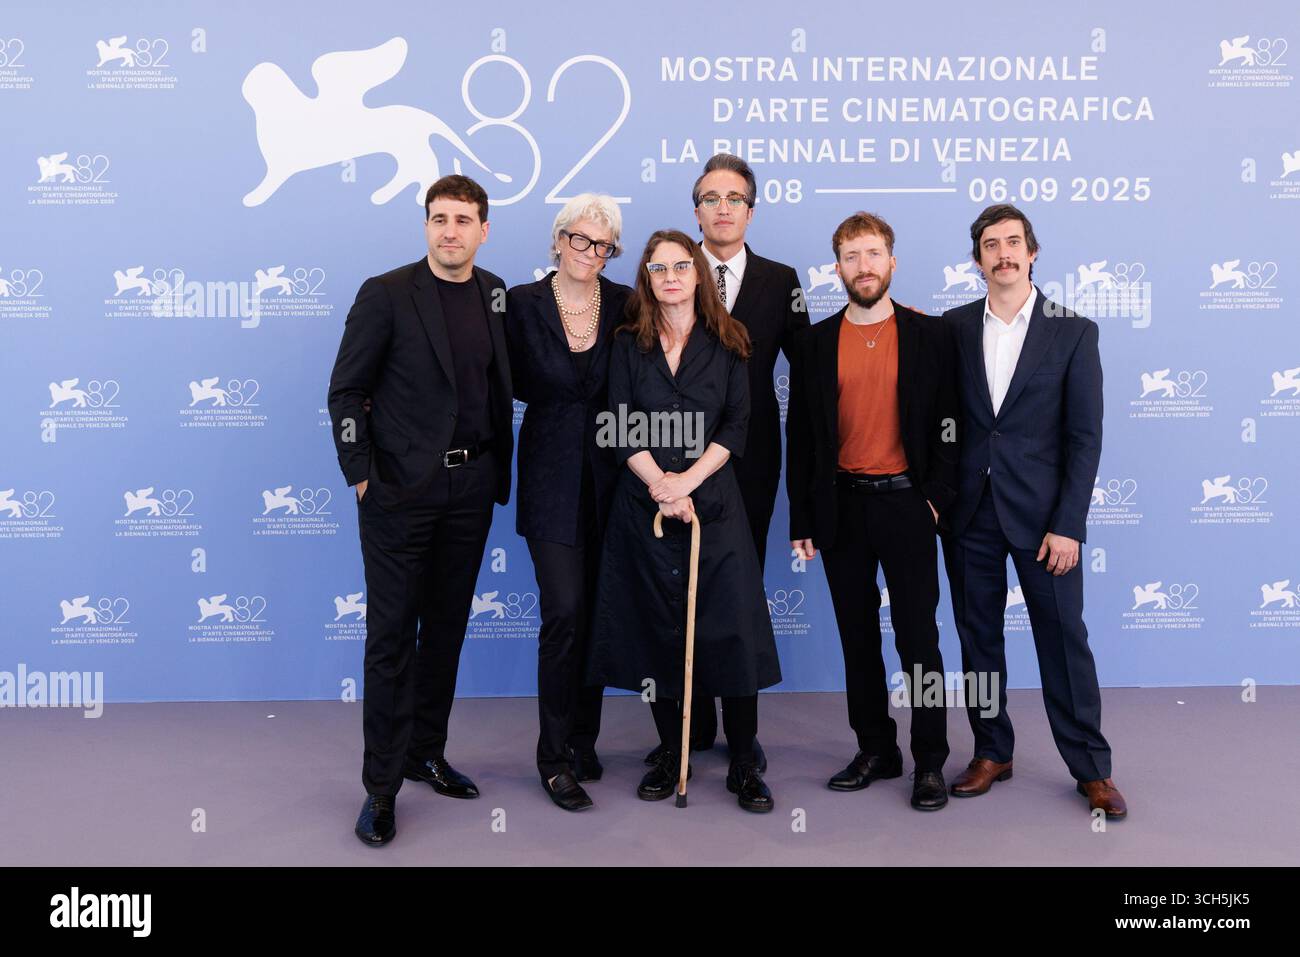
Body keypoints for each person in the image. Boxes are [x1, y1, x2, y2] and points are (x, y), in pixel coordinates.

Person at [328, 175, 513, 846]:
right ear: (426, 224)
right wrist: (361, 476)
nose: (450, 230)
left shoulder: (494, 293)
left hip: (471, 490)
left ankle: (425, 751)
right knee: (390, 639)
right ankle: (381, 789)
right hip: (398, 493)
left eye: (464, 219)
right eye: (439, 218)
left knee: (446, 631)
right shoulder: (385, 293)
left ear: (483, 228)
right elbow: (346, 391)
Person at [940, 204, 1126, 818]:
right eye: (991, 245)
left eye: (1013, 242)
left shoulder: (1073, 331)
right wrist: (940, 499)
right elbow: (941, 424)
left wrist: (1069, 524)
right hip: (970, 516)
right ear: (977, 260)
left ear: (1033, 251)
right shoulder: (955, 328)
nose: (1003, 254)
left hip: (1047, 522)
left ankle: (1091, 769)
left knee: (1063, 640)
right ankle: (992, 750)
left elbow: (1084, 438)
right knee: (978, 641)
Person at [588, 229, 781, 813]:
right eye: (658, 268)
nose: (670, 276)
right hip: (644, 508)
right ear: (647, 278)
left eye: (680, 266)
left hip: (713, 507)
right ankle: (673, 752)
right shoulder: (628, 344)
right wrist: (659, 486)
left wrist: (687, 483)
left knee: (732, 631)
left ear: (698, 274)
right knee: (657, 631)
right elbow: (619, 424)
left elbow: (736, 427)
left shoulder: (730, 341)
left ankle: (744, 760)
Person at [786, 212, 957, 811]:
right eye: (852, 256)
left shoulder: (931, 335)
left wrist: (936, 498)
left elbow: (950, 428)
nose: (864, 266)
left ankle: (929, 762)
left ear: (892, 262)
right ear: (838, 268)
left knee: (920, 641)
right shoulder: (813, 344)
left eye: (874, 254)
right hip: (842, 511)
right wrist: (802, 520)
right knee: (857, 641)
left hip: (909, 506)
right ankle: (877, 750)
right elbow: (801, 437)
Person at [644, 152, 807, 769]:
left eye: (733, 198)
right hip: (668, 471)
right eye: (710, 198)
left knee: (737, 598)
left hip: (750, 464)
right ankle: (686, 730)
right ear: (696, 211)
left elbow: (810, 365)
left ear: (750, 209)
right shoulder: (667, 278)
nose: (721, 208)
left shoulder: (780, 279)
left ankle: (744, 739)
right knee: (671, 594)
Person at [505, 194, 632, 812]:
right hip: (549, 477)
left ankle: (584, 740)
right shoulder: (521, 305)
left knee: (597, 612)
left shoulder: (628, 304)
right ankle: (553, 757)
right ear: (557, 241)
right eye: (579, 240)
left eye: (602, 245)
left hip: (614, 480)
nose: (589, 253)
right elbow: (484, 376)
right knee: (564, 611)